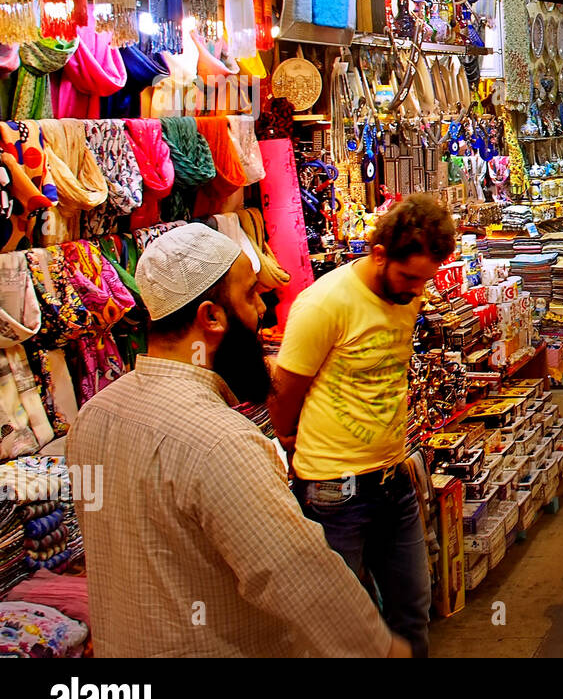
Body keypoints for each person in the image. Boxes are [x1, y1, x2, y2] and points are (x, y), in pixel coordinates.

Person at [68, 224, 409, 657]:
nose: (263, 308)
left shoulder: (94, 415)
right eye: (250, 295)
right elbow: (298, 576)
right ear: (211, 317)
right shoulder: (219, 441)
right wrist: (380, 648)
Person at [270, 193, 457, 659]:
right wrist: (292, 440)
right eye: (409, 277)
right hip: (335, 488)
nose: (417, 290)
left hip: (394, 478)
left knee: (412, 608)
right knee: (343, 627)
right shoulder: (324, 304)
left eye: (425, 279)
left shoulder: (408, 293)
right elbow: (284, 391)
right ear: (379, 254)